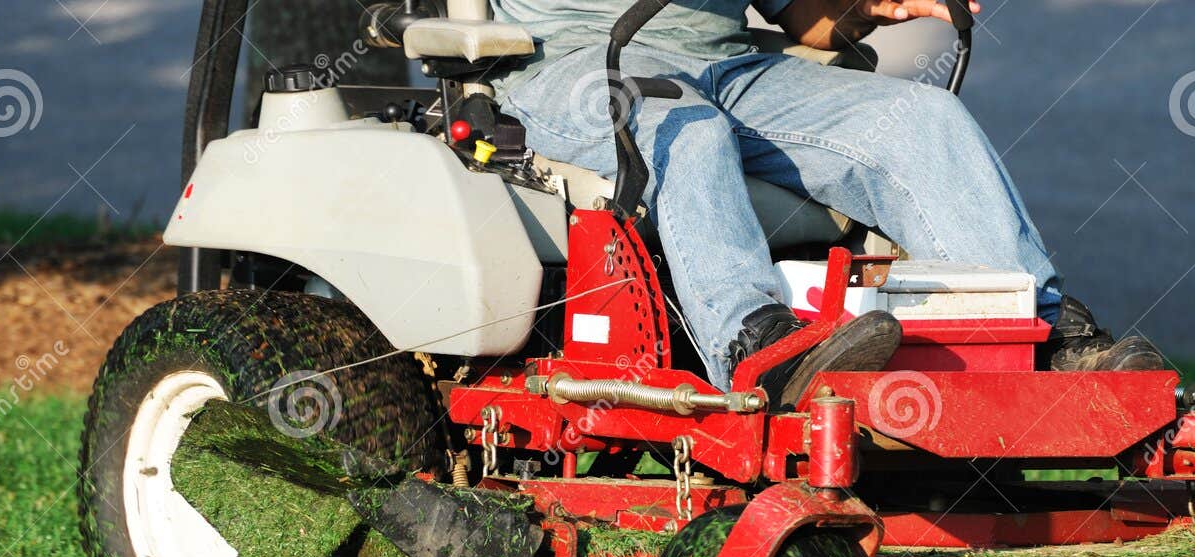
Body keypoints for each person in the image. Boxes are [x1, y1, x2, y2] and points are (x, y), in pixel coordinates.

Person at [491, 0, 1161, 403]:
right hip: (574, 64)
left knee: (921, 119)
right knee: (690, 132)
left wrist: (871, 5)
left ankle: (1040, 335)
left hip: (727, 67)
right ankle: (759, 351)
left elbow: (805, 18)